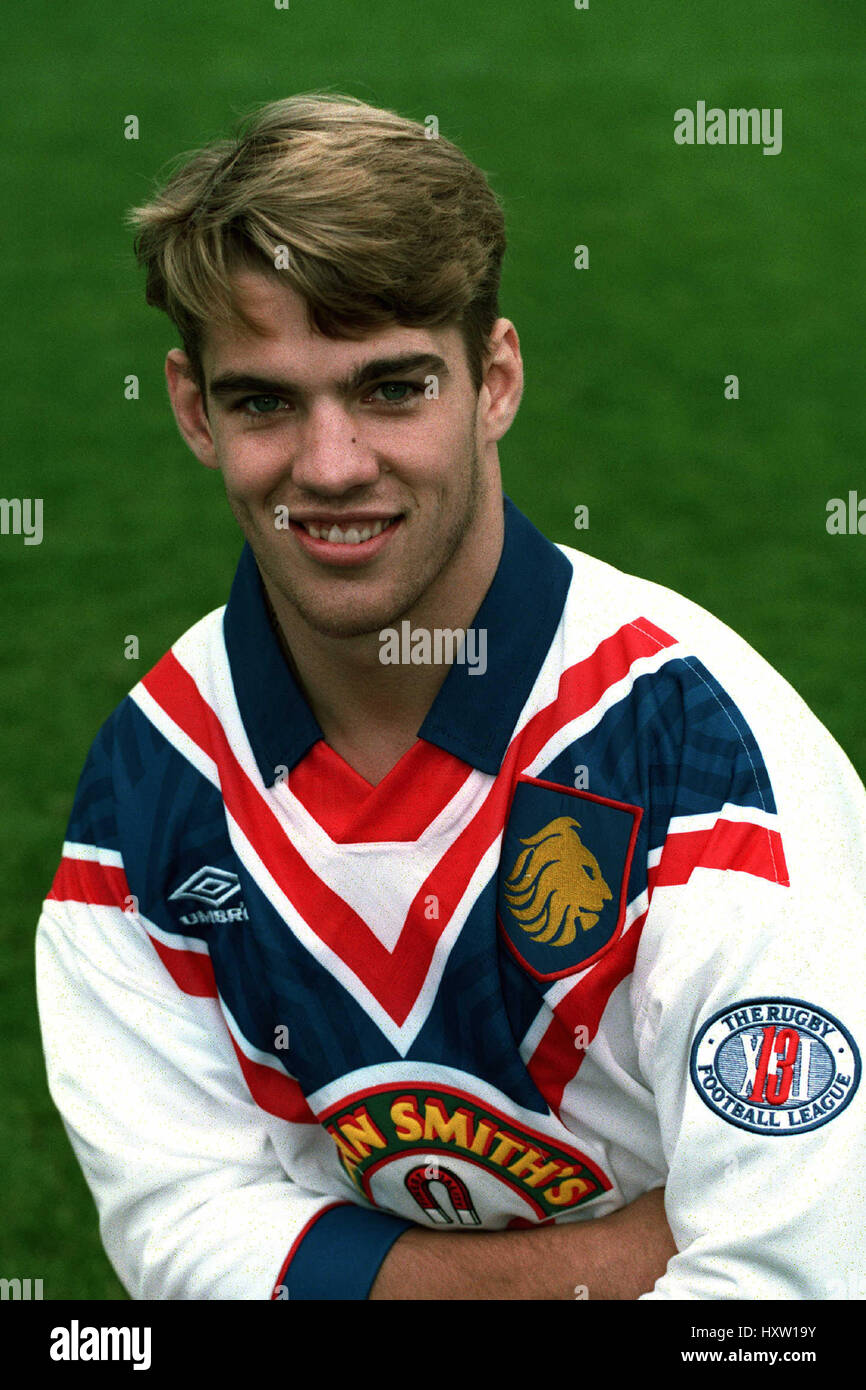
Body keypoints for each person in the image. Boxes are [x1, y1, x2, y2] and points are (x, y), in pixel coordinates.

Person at [36, 93, 866, 1301]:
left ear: (494, 380)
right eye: (264, 399)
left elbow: (791, 1291)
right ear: (189, 409)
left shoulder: (707, 757)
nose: (329, 467)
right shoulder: (151, 781)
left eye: (390, 388)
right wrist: (604, 1261)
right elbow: (181, 1234)